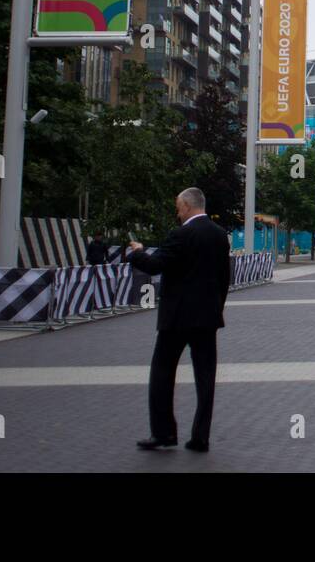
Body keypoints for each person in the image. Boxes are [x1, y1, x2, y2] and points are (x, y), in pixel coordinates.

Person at [127, 187, 230, 453]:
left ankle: (163, 433)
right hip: (207, 318)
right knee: (206, 378)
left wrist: (137, 252)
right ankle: (200, 437)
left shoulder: (180, 234)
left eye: (178, 206)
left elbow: (154, 265)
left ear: (187, 205)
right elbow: (224, 278)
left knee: (162, 373)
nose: (177, 211)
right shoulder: (220, 236)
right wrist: (216, 308)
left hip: (176, 319)